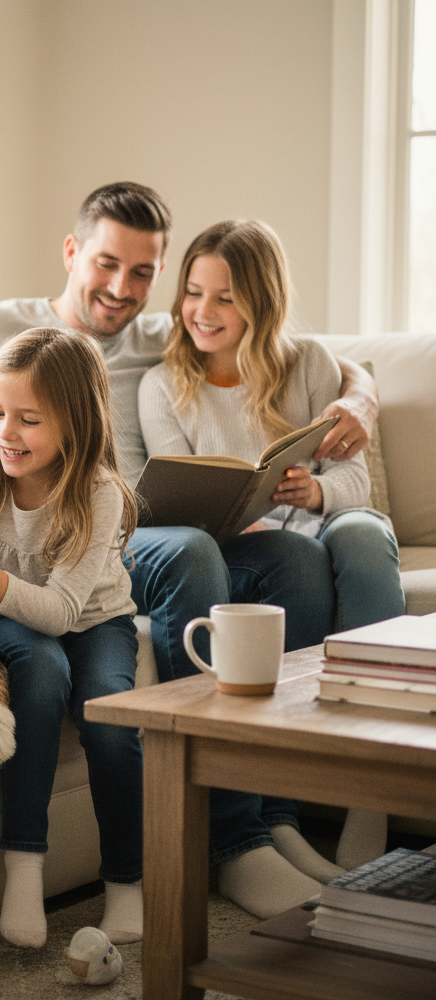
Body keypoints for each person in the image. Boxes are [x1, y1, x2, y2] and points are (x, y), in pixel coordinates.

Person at [0, 183, 381, 918]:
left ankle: (278, 814)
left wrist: (359, 396)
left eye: (143, 272)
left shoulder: (172, 330)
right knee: (191, 554)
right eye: (107, 264)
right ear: (72, 252)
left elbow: (287, 346)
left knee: (298, 561)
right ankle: (231, 839)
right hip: (62, 547)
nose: (122, 288)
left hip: (114, 529)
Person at [139, 218, 403, 871]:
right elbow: (177, 493)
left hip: (316, 522)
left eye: (225, 297)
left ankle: (373, 795)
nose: (202, 311)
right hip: (234, 543)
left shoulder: (309, 365)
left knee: (363, 538)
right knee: (296, 560)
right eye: (193, 293)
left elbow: (350, 474)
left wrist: (314, 494)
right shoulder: (162, 385)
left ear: (262, 300)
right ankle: (276, 818)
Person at [0, 327, 144, 947]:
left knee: (109, 721)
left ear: (75, 425)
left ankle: (127, 884)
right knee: (42, 675)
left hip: (96, 620)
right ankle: (23, 873)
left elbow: (58, 611)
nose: (5, 431)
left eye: (28, 419)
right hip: (5, 619)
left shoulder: (99, 493)